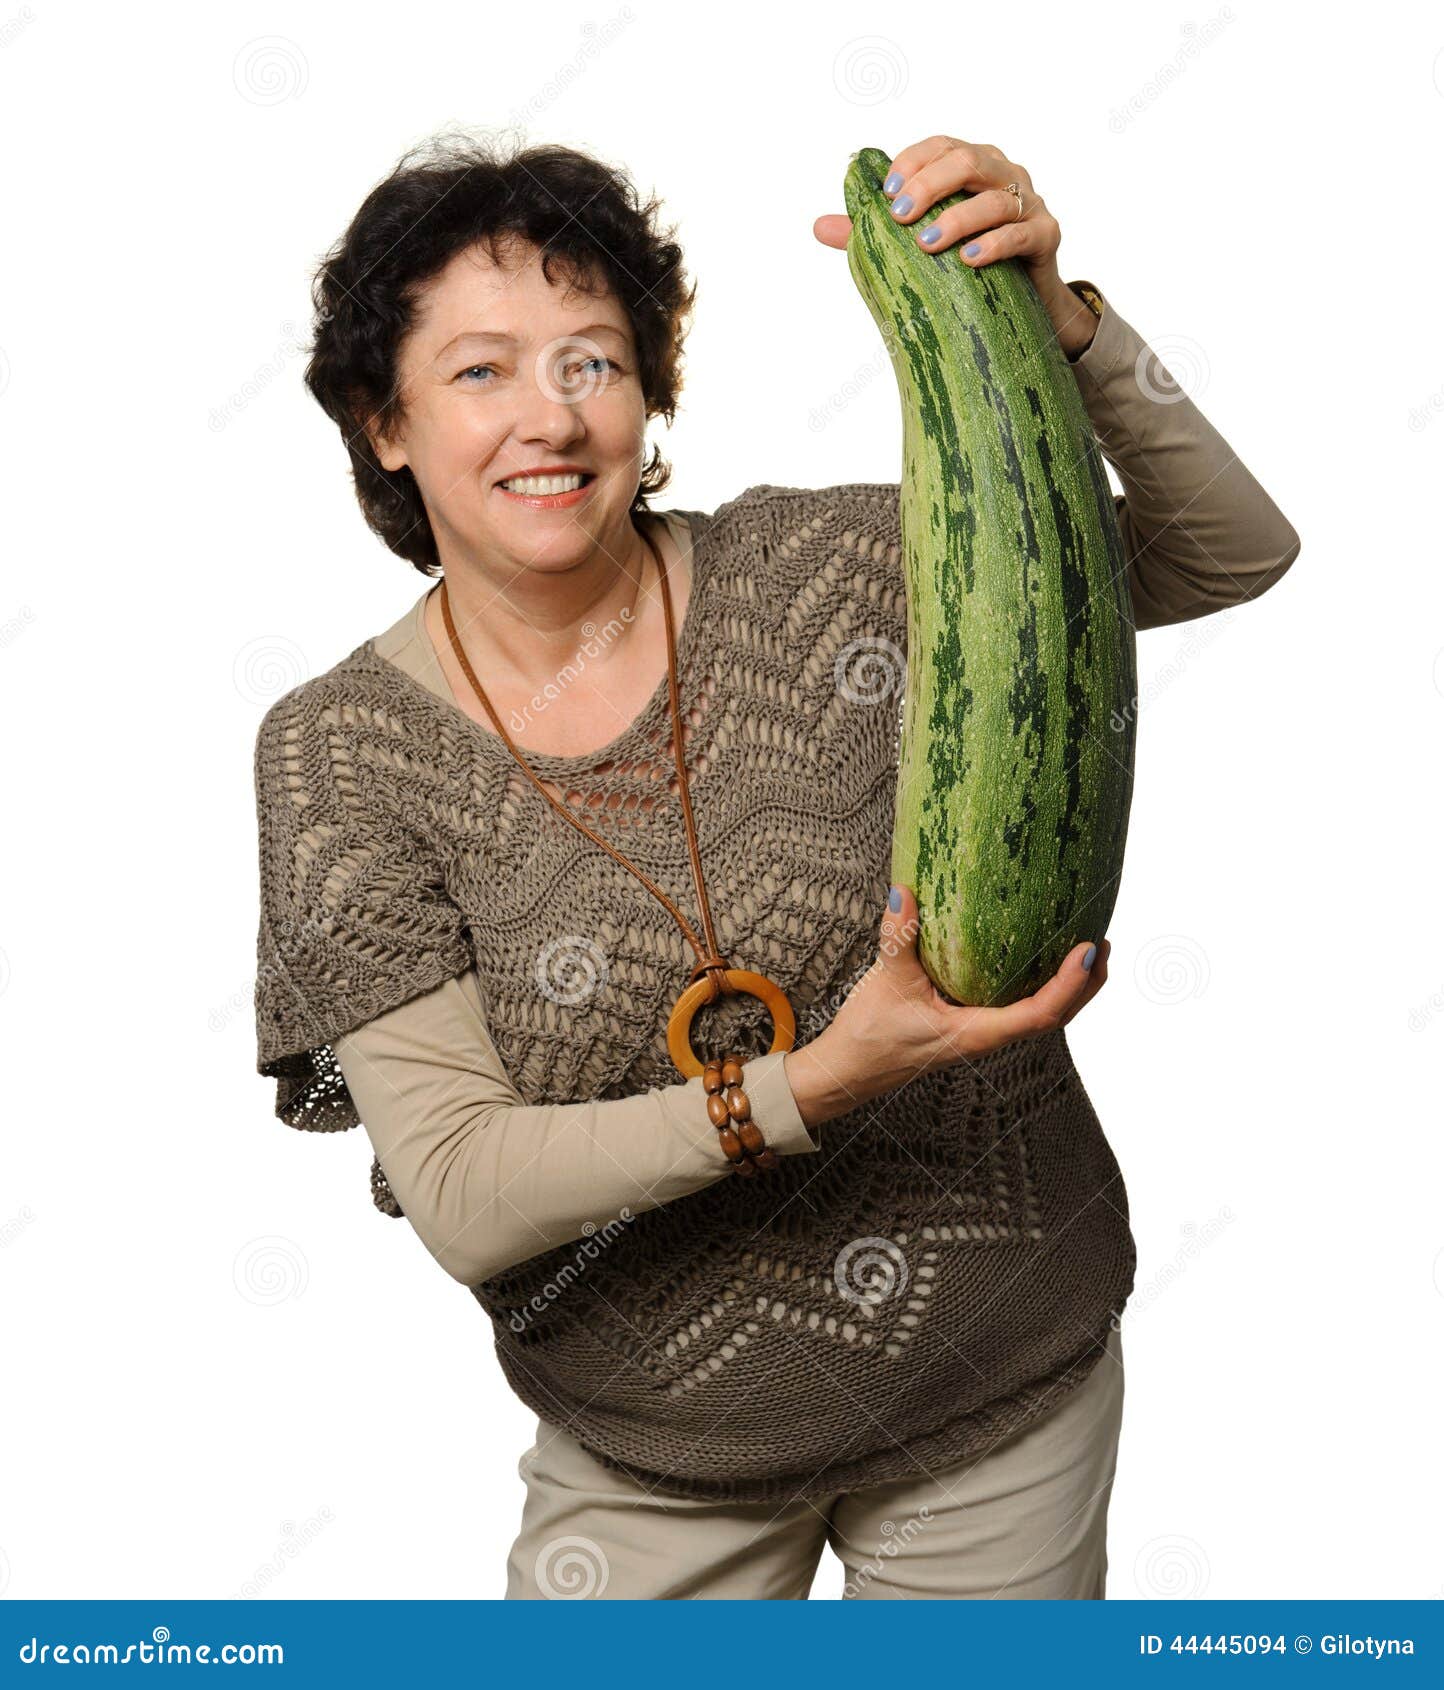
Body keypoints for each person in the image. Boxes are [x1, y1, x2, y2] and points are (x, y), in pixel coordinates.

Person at [252, 132, 1300, 1600]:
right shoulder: (342, 753)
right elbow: (465, 1189)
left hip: (1000, 1381)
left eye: (593, 361)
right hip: (651, 1450)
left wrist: (1063, 321)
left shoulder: (846, 567)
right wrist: (813, 1086)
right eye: (480, 370)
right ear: (384, 421)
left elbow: (1232, 548)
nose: (547, 417)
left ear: (650, 390)